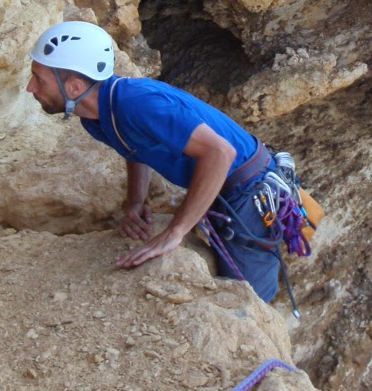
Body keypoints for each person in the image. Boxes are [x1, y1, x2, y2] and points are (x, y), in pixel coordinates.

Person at [25, 20, 302, 304]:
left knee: (249, 295)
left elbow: (220, 153)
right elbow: (135, 149)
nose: (29, 87)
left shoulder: (138, 104)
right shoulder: (98, 117)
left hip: (248, 191)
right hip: (230, 188)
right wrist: (135, 203)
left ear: (74, 87)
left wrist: (175, 232)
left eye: (39, 79)